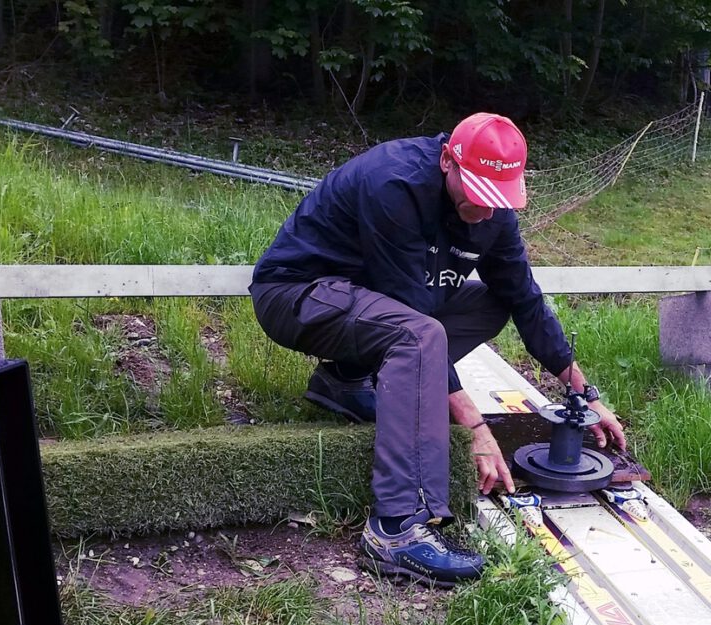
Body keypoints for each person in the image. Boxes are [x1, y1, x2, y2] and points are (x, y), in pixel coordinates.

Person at [248, 112, 626, 587]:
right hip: (299, 295)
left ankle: (344, 381)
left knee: (494, 303)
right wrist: (473, 426)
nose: (486, 211)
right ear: (448, 160)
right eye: (477, 196)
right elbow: (413, 316)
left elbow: (524, 298)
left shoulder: (494, 211)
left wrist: (585, 392)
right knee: (419, 335)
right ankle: (395, 529)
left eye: (498, 200)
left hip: (368, 301)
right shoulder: (394, 183)